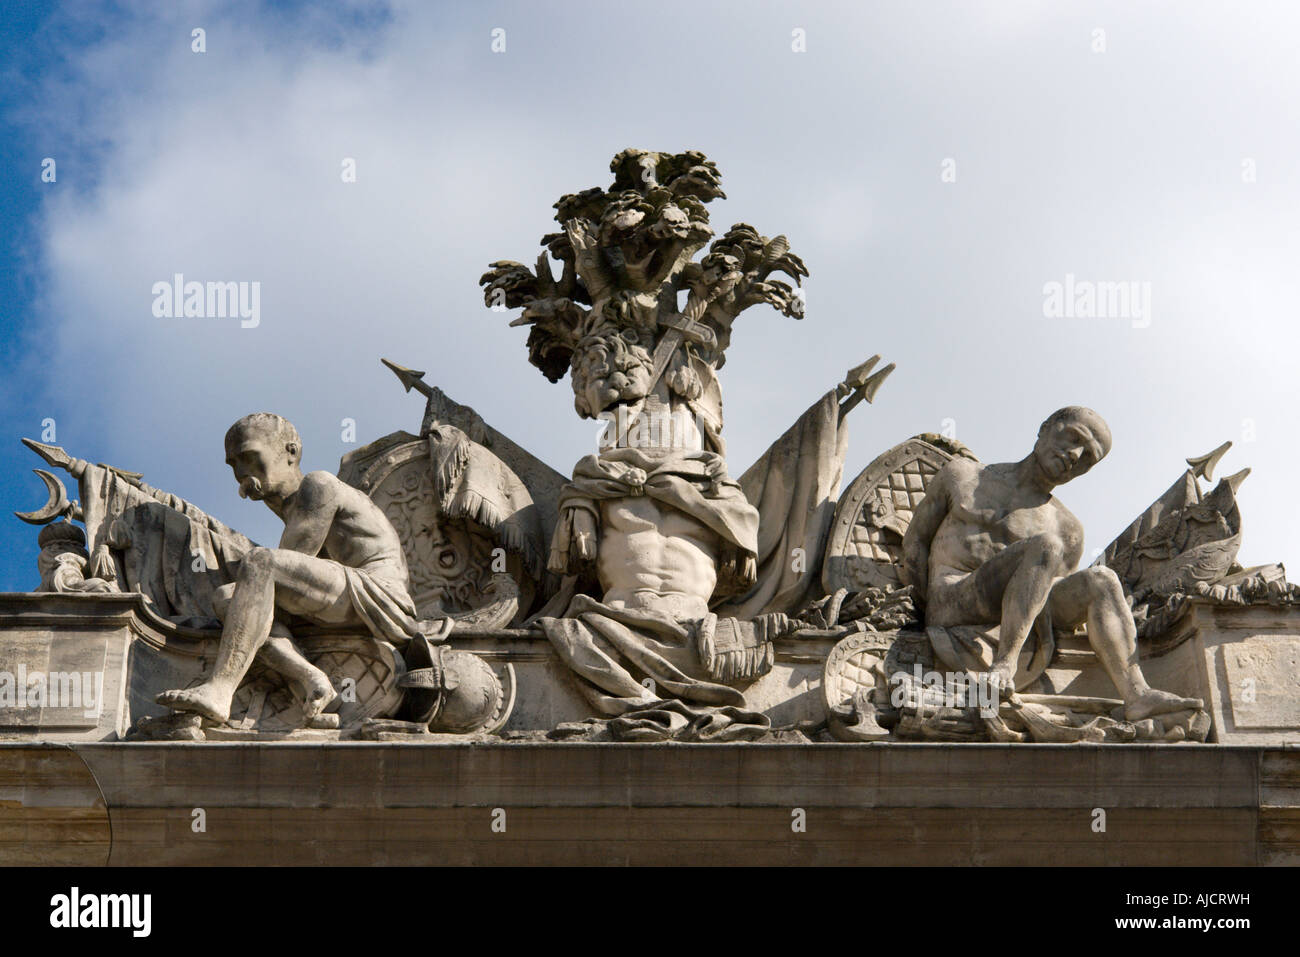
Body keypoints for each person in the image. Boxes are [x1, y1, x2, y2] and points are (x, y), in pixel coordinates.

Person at [902, 406, 1202, 721]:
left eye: (1088, 458)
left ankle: (1137, 694)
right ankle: (1003, 666)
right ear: (1046, 427)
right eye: (1074, 438)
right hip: (952, 598)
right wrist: (916, 611)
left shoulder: (1068, 529)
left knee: (1101, 578)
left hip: (1015, 615)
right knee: (1046, 546)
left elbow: (1043, 595)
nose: (1075, 456)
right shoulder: (963, 475)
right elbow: (915, 543)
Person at [156, 413, 420, 724]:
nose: (241, 472)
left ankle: (220, 689)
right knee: (229, 599)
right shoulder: (292, 510)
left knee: (260, 565)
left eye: (250, 457)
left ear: (290, 452)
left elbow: (283, 561)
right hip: (347, 597)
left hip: (379, 595)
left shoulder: (318, 485)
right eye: (233, 465)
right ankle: (311, 678)